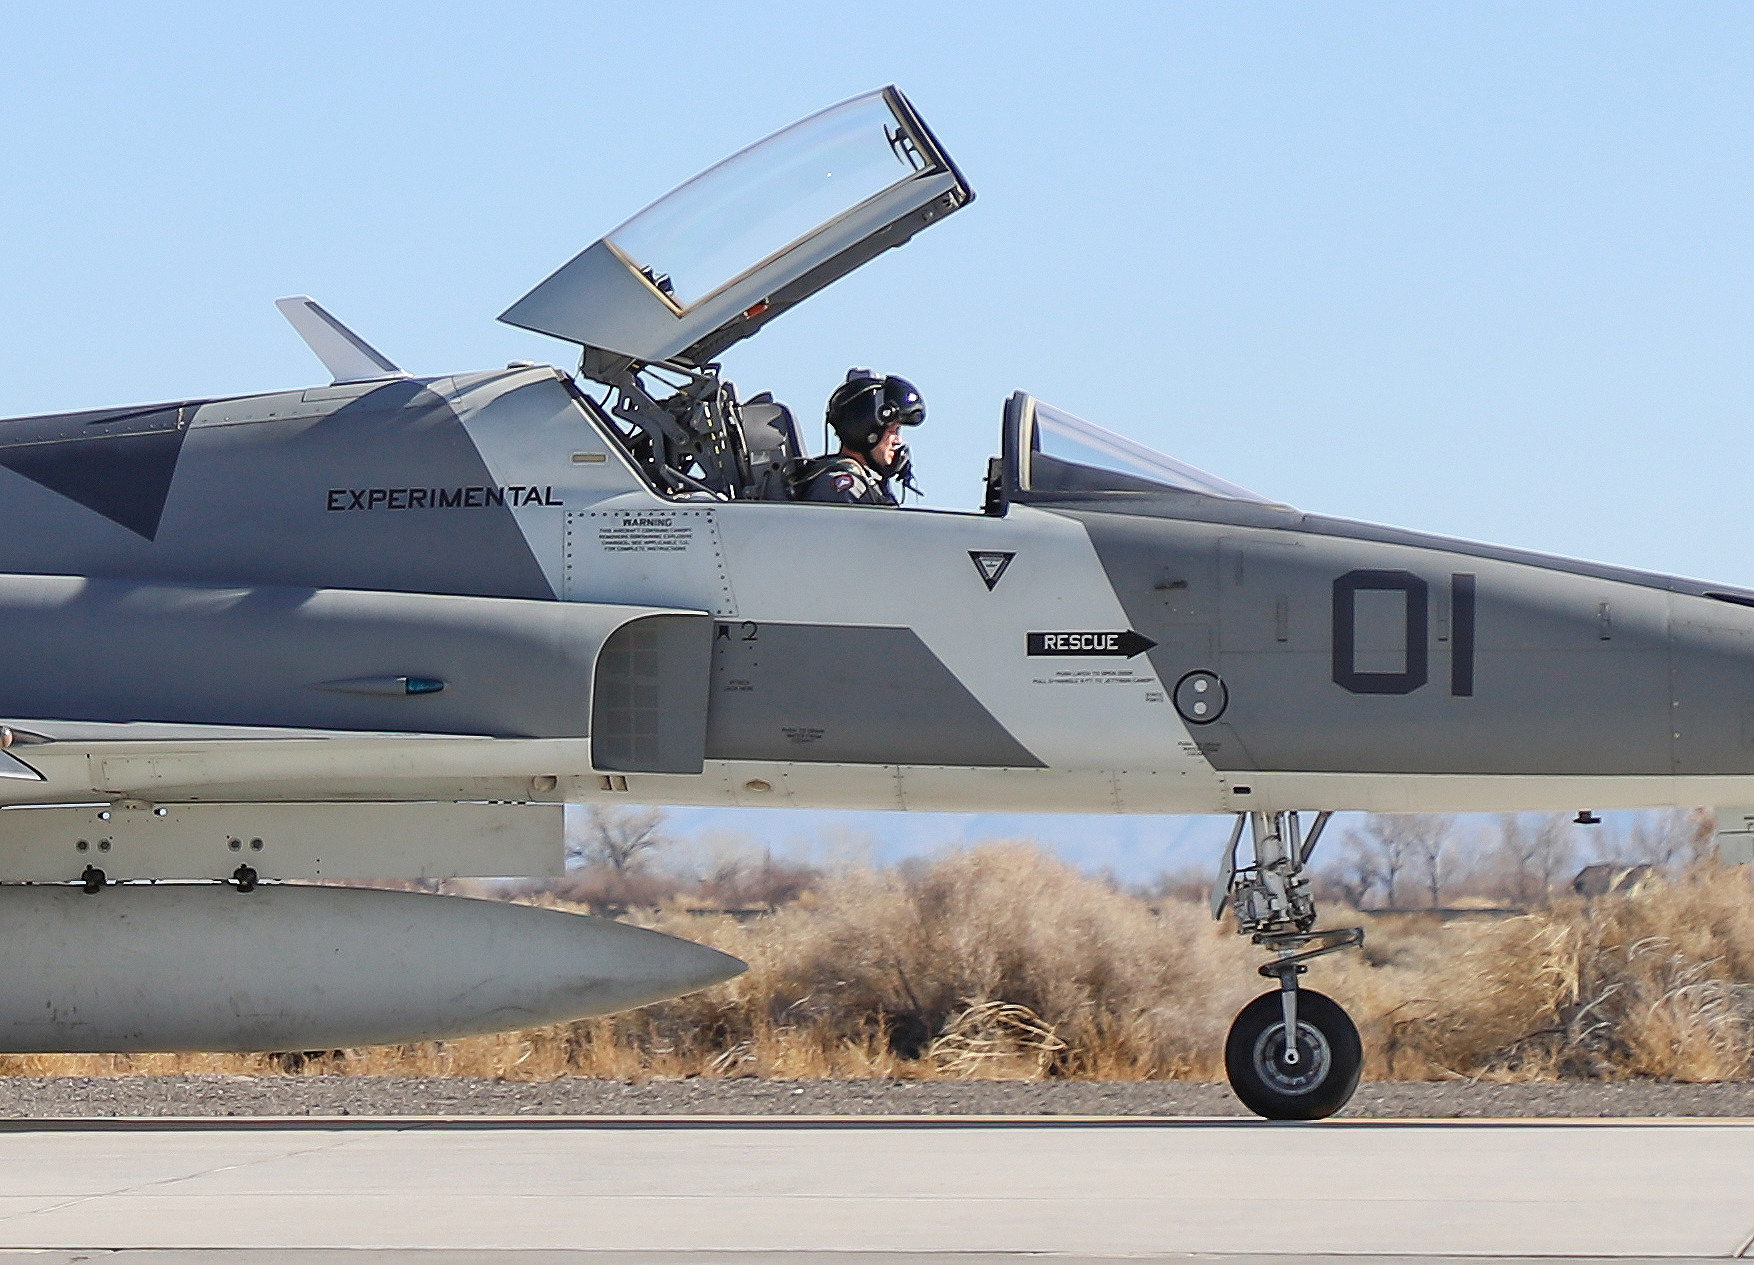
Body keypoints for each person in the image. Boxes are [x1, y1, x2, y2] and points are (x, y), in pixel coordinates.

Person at [798, 370, 924, 505]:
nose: (898, 441)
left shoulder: (867, 485)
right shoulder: (843, 490)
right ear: (865, 429)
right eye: (892, 431)